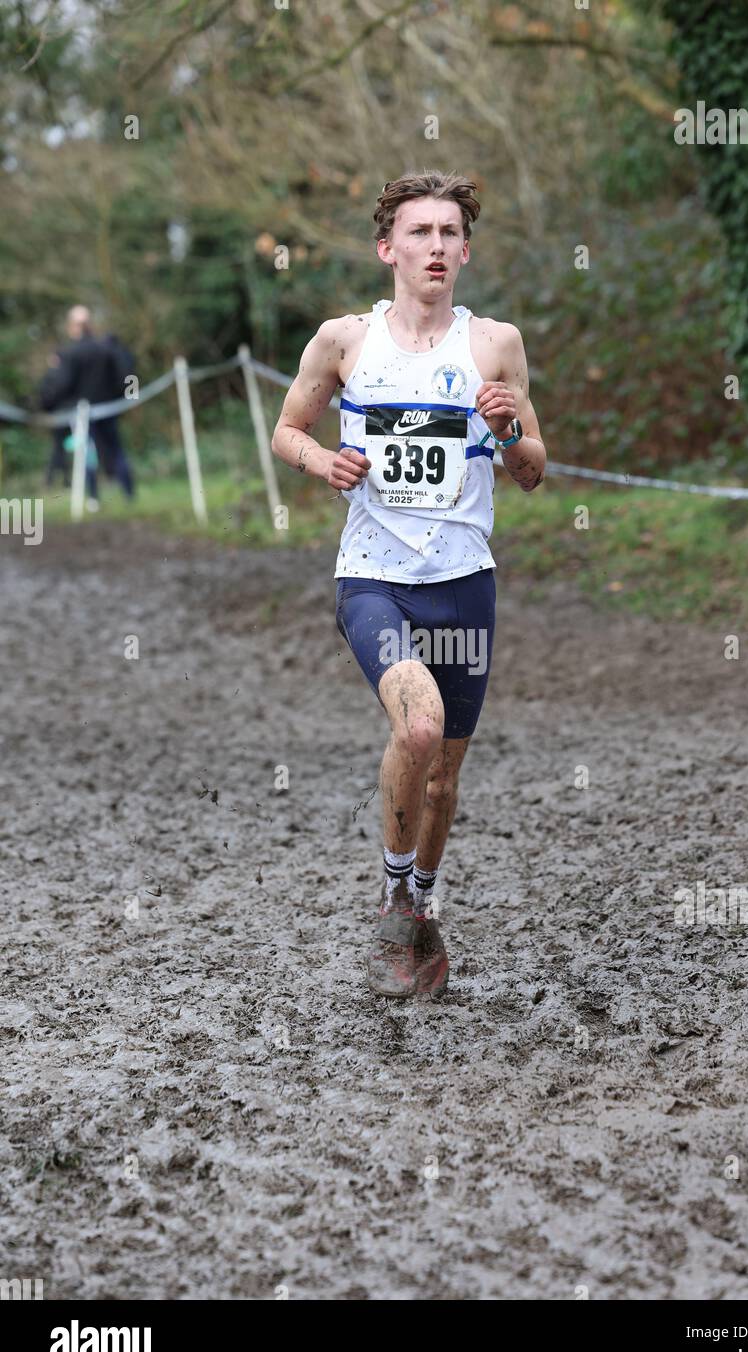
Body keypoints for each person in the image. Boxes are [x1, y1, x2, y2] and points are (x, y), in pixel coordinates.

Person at [271, 169, 546, 999]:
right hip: (375, 580)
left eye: (450, 233)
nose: (436, 246)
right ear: (387, 248)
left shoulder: (494, 344)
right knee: (417, 729)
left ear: (466, 250)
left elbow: (532, 470)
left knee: (444, 775)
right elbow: (288, 428)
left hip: (463, 584)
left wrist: (505, 432)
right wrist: (324, 459)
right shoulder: (345, 341)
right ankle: (395, 899)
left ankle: (423, 904)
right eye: (420, 233)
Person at [40, 305, 136, 502]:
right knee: (116, 450)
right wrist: (128, 399)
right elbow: (127, 375)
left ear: (73, 327)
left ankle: (94, 497)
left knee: (87, 454)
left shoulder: (69, 354)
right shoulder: (107, 350)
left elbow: (61, 385)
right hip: (108, 410)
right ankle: (129, 494)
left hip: (82, 412)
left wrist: (46, 405)